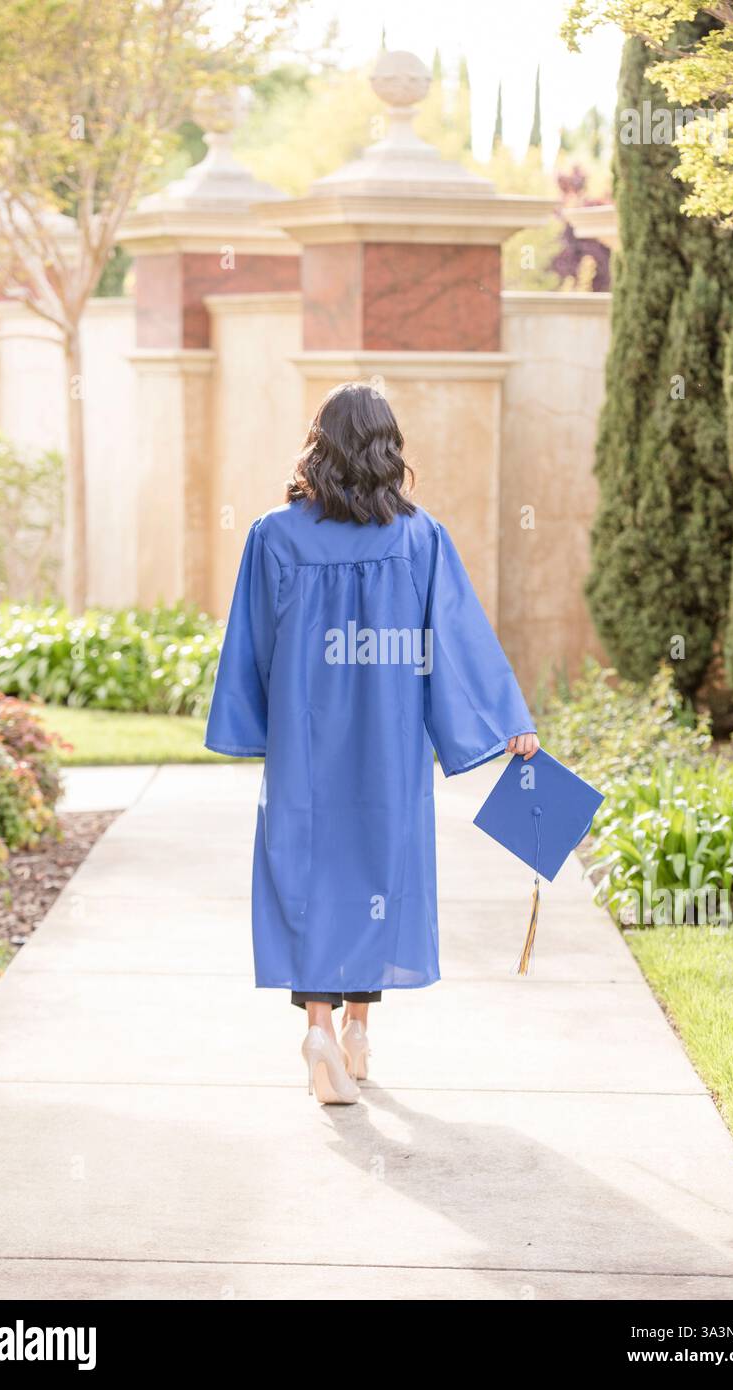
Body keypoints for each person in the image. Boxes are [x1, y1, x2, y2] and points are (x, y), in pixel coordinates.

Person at [205, 382, 539, 1105]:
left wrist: (259, 718)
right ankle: (359, 1029)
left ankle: (319, 1026)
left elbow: (254, 645)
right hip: (388, 745)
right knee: (378, 876)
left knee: (307, 871)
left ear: (318, 445)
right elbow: (456, 639)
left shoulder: (274, 535)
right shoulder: (419, 537)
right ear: (390, 449)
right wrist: (506, 715)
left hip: (307, 744)